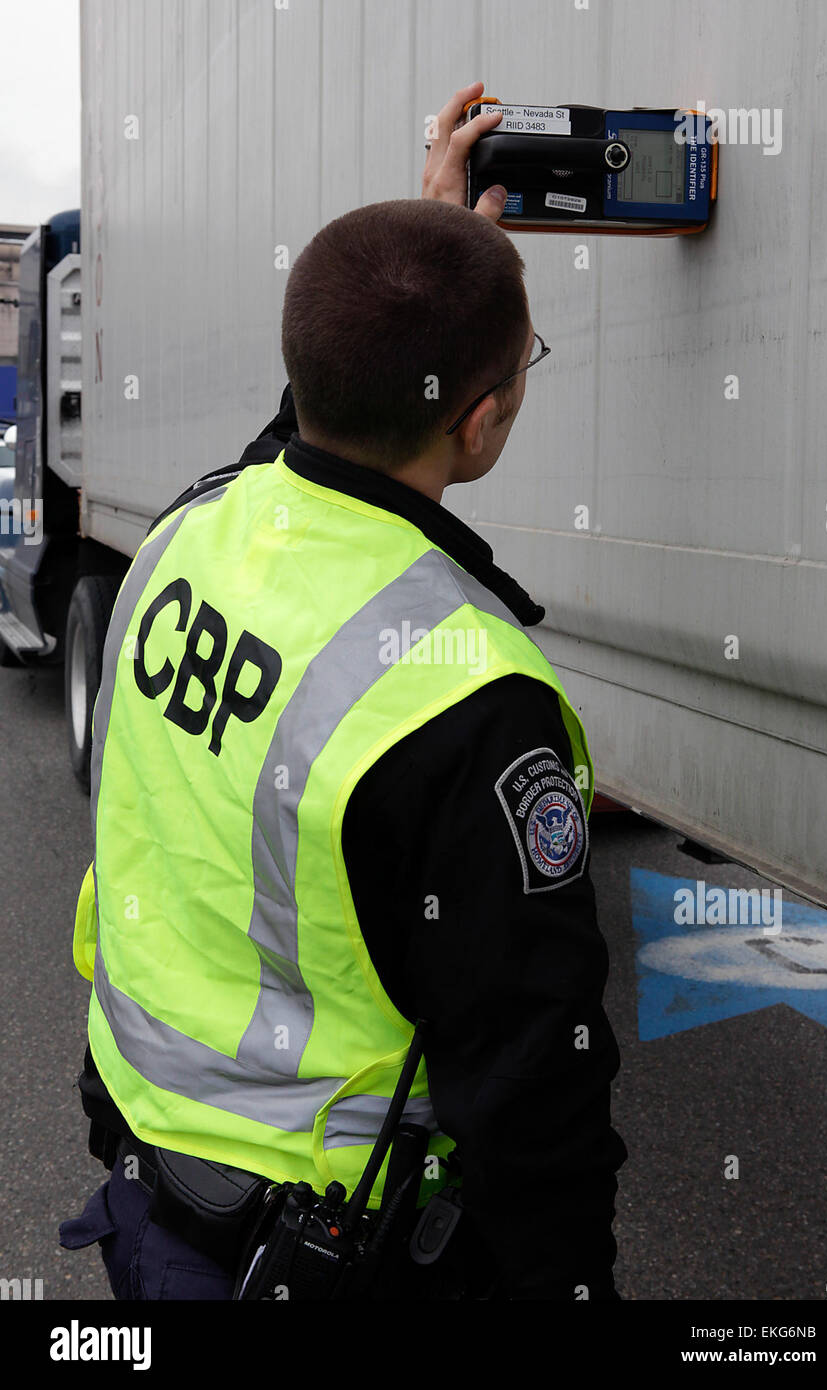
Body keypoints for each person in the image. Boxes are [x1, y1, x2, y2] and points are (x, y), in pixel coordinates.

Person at [59, 81, 626, 1300]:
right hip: (321, 1253)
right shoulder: (469, 696)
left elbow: (310, 434)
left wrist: (424, 246)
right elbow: (537, 1092)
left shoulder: (189, 529)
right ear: (478, 425)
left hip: (149, 1202)